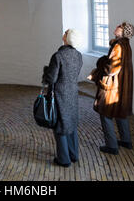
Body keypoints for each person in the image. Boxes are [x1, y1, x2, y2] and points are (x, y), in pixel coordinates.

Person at [87, 22, 134, 155]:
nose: (116, 27)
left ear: (123, 31)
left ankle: (112, 146)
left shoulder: (118, 46)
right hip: (121, 86)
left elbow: (111, 69)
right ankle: (126, 140)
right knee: (121, 113)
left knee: (105, 114)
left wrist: (101, 62)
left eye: (119, 26)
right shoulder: (126, 45)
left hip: (112, 87)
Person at [42, 29, 83, 167]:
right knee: (71, 123)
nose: (63, 34)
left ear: (66, 38)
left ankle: (64, 159)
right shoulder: (78, 55)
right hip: (72, 92)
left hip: (59, 93)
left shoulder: (58, 56)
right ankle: (74, 154)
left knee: (60, 125)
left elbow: (51, 78)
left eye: (65, 33)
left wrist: (46, 72)